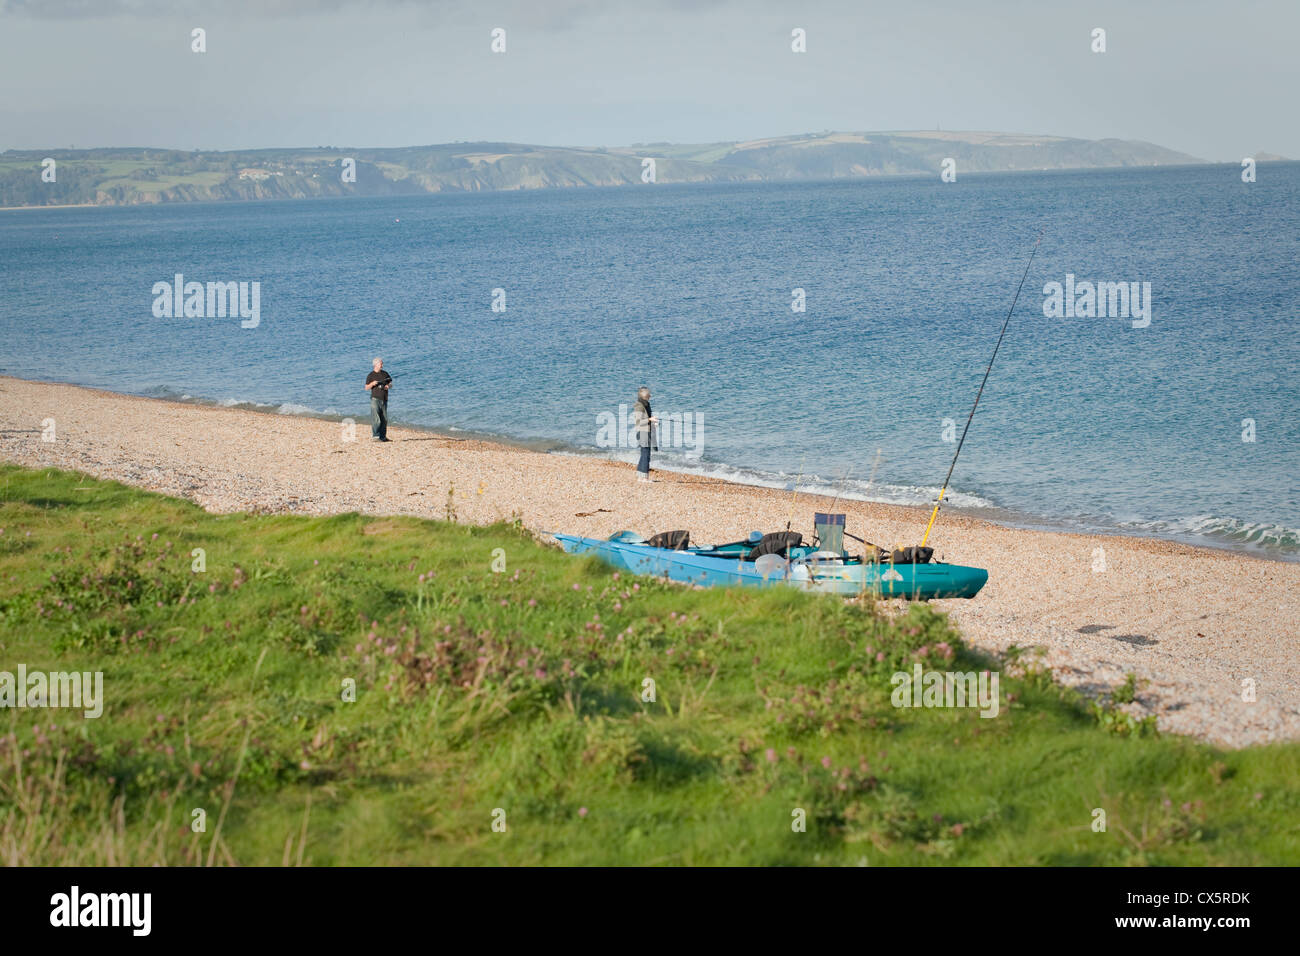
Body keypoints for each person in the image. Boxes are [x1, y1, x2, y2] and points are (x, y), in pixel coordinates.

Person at [633, 386, 659, 482]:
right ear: (645, 395)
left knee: (644, 453)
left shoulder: (646, 404)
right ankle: (644, 478)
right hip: (642, 432)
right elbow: (639, 421)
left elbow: (647, 418)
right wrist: (649, 419)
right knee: (646, 454)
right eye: (649, 394)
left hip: (646, 431)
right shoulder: (639, 406)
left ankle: (641, 476)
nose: (650, 395)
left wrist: (653, 421)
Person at [364, 357, 393, 441]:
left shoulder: (385, 373)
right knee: (376, 419)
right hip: (375, 399)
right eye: (381, 363)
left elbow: (390, 383)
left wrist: (388, 386)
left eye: (382, 363)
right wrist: (372, 384)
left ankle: (383, 436)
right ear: (375, 365)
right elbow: (366, 388)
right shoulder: (371, 375)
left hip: (384, 398)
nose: (382, 365)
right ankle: (376, 436)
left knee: (384, 419)